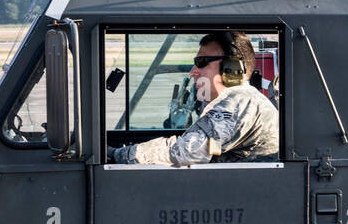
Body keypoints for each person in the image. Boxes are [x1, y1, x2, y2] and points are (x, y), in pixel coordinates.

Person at [112, 32, 279, 165]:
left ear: (232, 68)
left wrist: (117, 155)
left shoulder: (239, 102)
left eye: (201, 62)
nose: (193, 72)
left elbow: (188, 151)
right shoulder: (242, 100)